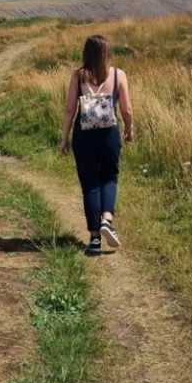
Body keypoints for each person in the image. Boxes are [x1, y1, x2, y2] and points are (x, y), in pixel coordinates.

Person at [59, 34, 133, 254]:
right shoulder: (119, 75)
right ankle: (107, 220)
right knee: (109, 177)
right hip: (109, 135)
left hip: (85, 136)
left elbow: (70, 109)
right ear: (107, 53)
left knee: (90, 184)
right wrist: (129, 129)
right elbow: (127, 109)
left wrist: (64, 138)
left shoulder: (78, 76)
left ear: (86, 54)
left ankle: (94, 240)